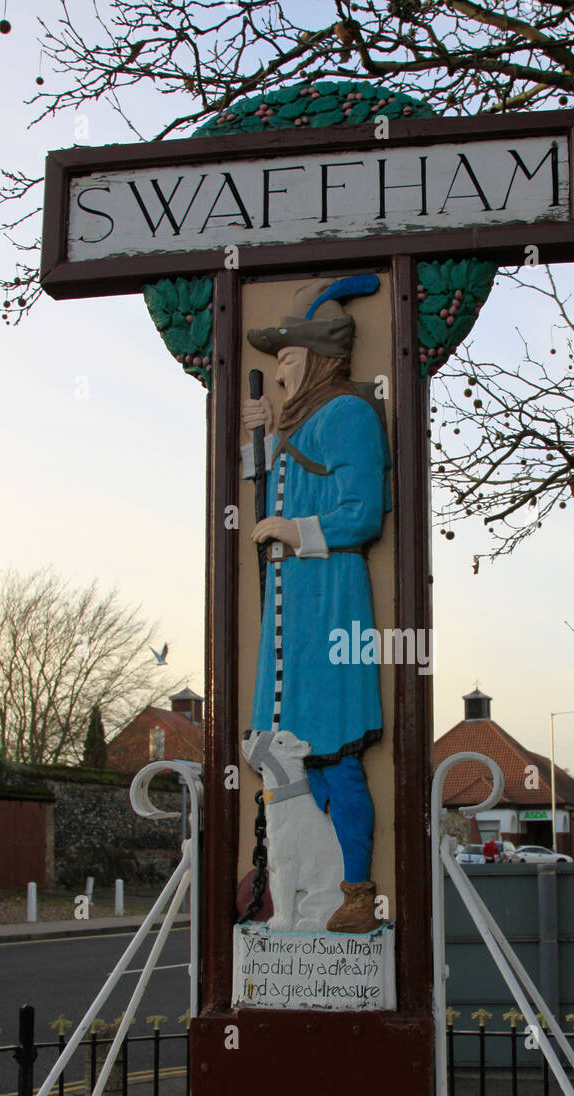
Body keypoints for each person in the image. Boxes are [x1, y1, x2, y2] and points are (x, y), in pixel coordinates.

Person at [241, 275, 390, 934]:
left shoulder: (352, 416)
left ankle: (353, 891)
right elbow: (271, 487)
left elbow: (359, 514)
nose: (279, 377)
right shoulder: (302, 422)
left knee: (336, 755)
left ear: (321, 358)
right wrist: (264, 437)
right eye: (275, 366)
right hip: (290, 615)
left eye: (289, 362)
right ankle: (302, 890)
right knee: (288, 753)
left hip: (330, 607)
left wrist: (292, 532)